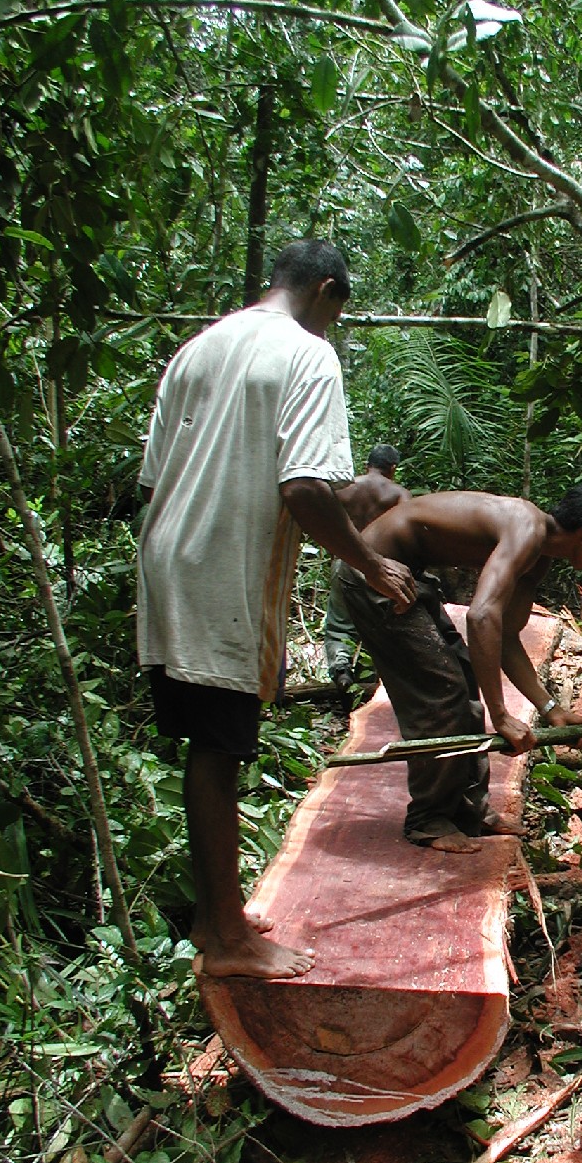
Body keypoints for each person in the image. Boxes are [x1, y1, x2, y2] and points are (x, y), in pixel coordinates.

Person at [136, 239, 417, 980]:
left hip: (167, 555)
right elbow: (303, 488)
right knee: (221, 749)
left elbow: (154, 477)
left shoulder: (199, 348)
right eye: (337, 310)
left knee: (209, 739)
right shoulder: (307, 353)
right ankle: (227, 940)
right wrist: (370, 562)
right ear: (328, 290)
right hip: (222, 568)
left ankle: (214, 913)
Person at [336, 481, 582, 852]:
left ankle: (469, 811)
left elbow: (505, 636)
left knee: (462, 676)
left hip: (407, 575)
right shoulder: (526, 527)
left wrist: (552, 710)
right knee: (442, 690)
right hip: (372, 573)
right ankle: (428, 819)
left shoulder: (540, 557)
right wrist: (501, 714)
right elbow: (480, 615)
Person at [323, 444, 410, 692]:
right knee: (379, 623)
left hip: (345, 560)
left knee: (340, 624)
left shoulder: (344, 489)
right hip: (381, 566)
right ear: (392, 468)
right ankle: (370, 678)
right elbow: (406, 534)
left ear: (367, 465)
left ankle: (341, 666)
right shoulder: (399, 494)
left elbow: (326, 521)